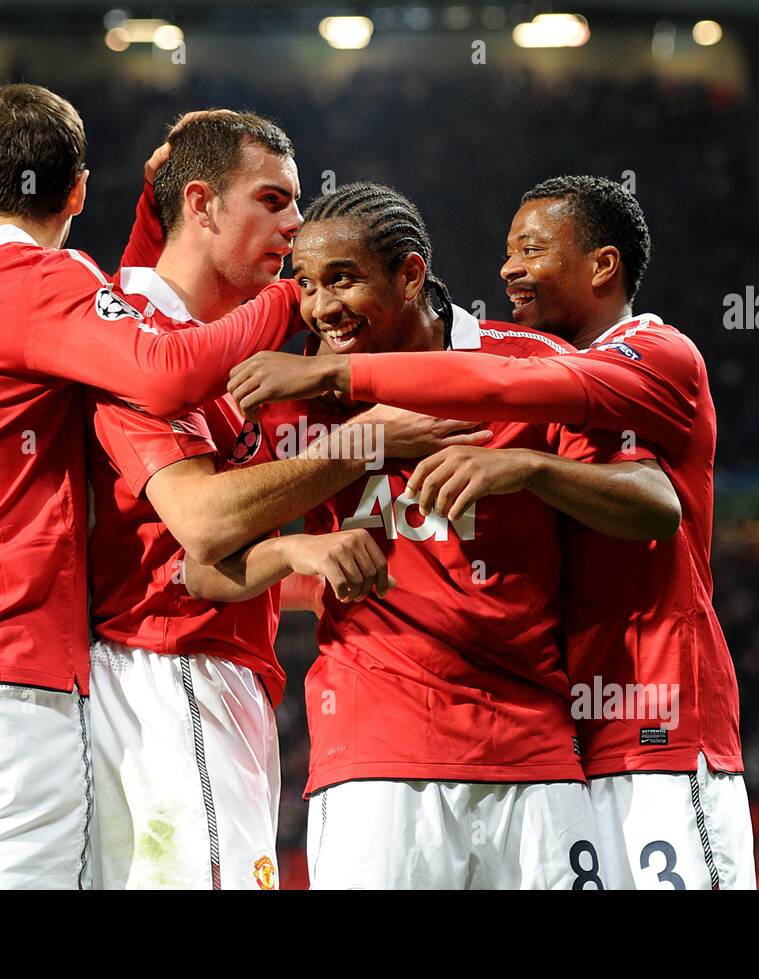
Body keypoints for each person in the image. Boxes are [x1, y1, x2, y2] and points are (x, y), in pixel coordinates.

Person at [227, 175, 756, 890]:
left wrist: (518, 463)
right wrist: (308, 554)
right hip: (395, 751)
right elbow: (208, 550)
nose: (320, 306)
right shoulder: (291, 397)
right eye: (307, 287)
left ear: (412, 274)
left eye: (342, 280)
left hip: (579, 743)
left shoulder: (564, 364)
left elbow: (651, 497)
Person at [0, 84, 304, 889]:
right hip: (0, 686)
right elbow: (161, 365)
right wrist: (291, 295)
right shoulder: (46, 282)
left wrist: (152, 221)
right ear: (76, 192)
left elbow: (118, 308)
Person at [86, 118, 488, 889]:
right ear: (202, 206)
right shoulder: (139, 347)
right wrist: (365, 439)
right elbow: (203, 525)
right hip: (171, 675)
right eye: (273, 201)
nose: (294, 224)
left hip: (215, 667)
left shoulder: (214, 334)